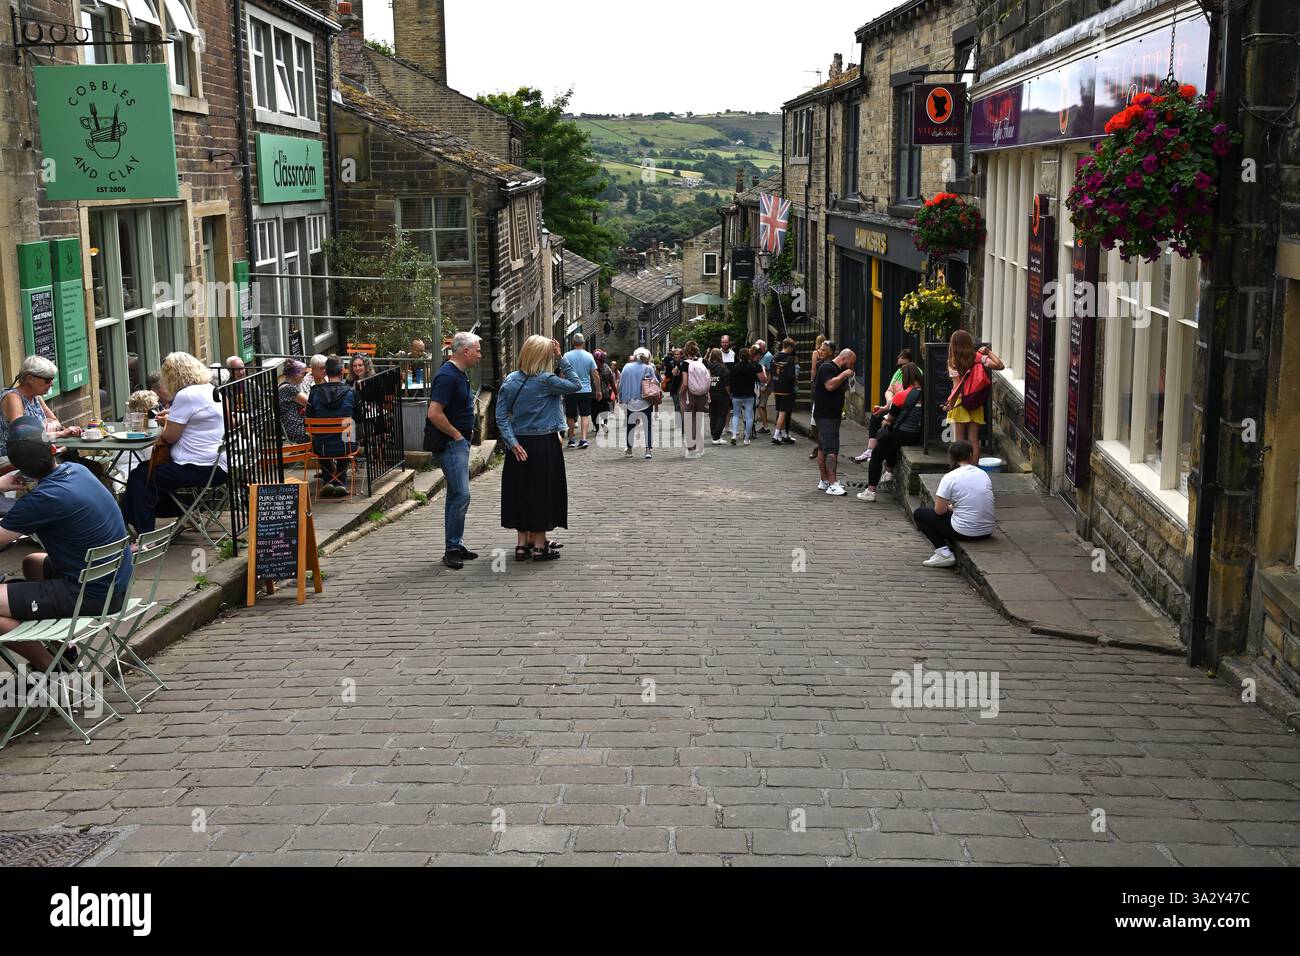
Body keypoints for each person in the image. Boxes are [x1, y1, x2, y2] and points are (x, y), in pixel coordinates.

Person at [0, 418, 132, 670]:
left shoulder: (43, 499)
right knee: (32, 563)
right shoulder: (77, 470)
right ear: (54, 450)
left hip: (90, 594)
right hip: (115, 584)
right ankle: (65, 647)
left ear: (18, 468)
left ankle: (52, 666)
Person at [121, 352, 228, 535]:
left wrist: (166, 422)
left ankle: (145, 535)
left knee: (140, 477)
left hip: (198, 466)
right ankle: (184, 514)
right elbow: (198, 419)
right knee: (146, 474)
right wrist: (173, 417)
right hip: (218, 464)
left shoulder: (186, 395)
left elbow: (170, 437)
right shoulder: (209, 388)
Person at [497, 336, 580, 562]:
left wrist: (512, 442)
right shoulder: (547, 380)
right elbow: (575, 384)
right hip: (544, 444)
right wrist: (561, 358)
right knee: (543, 493)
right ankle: (540, 547)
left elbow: (501, 416)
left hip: (519, 445)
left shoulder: (511, 380)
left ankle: (522, 546)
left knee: (521, 492)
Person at [427, 332, 482, 570]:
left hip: (459, 443)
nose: (480, 355)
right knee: (461, 494)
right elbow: (434, 413)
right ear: (465, 351)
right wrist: (457, 435)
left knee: (455, 494)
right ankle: (451, 548)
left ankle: (455, 544)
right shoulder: (447, 376)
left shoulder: (460, 374)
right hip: (450, 444)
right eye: (477, 350)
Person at [913, 440, 996, 568]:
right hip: (987, 530)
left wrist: (951, 508)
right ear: (971, 454)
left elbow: (939, 511)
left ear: (952, 457)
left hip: (965, 531)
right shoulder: (983, 474)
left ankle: (944, 553)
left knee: (920, 514)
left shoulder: (950, 477)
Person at [857, 363, 924, 502]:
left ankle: (871, 491)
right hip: (917, 436)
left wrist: (884, 422)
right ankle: (889, 471)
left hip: (902, 434)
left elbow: (890, 419)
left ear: (906, 377)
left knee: (876, 454)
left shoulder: (902, 395)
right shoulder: (926, 394)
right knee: (890, 443)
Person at [0, 356, 83, 458]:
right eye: (47, 380)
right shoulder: (13, 398)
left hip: (40, 455)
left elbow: (55, 421)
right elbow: (25, 437)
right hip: (18, 460)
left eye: (52, 379)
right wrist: (62, 433)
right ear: (30, 378)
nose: (51, 384)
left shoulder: (36, 397)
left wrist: (52, 425)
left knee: (94, 467)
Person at [944, 330, 1004, 464]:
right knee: (973, 440)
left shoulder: (953, 362)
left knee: (959, 440)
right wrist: (988, 352)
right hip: (975, 402)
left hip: (960, 402)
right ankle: (974, 468)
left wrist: (949, 404)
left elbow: (956, 387)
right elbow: (1000, 365)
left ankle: (960, 468)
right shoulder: (978, 357)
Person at [855, 348, 919, 463]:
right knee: (876, 415)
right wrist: (887, 405)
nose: (901, 368)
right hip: (895, 408)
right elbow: (889, 390)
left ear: (911, 362)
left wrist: (889, 415)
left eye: (903, 365)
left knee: (887, 430)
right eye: (899, 365)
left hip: (904, 415)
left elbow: (906, 400)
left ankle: (882, 460)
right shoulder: (899, 373)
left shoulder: (915, 374)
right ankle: (870, 449)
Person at [307, 357, 356, 497]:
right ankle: (340, 481)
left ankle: (329, 480)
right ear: (342, 372)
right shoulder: (351, 392)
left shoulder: (314, 393)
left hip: (322, 447)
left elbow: (309, 418)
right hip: (345, 446)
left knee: (320, 438)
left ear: (326, 373)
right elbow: (358, 418)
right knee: (348, 435)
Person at [813, 349, 856, 496]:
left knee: (823, 447)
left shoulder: (835, 370)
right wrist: (844, 375)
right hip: (826, 415)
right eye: (851, 363)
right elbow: (830, 386)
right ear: (844, 359)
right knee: (831, 449)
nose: (852, 367)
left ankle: (824, 481)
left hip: (831, 414)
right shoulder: (827, 368)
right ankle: (832, 484)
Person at [562, 333, 600, 450]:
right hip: (585, 390)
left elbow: (563, 374)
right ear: (583, 343)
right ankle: (583, 439)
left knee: (570, 415)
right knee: (584, 415)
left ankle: (572, 439)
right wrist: (598, 390)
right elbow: (595, 374)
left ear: (573, 343)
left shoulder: (567, 356)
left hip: (571, 389)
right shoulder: (589, 356)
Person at [619, 348, 657, 459]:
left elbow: (621, 384)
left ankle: (629, 449)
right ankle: (648, 450)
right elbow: (655, 382)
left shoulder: (626, 367)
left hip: (631, 401)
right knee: (647, 425)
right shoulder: (648, 368)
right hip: (645, 400)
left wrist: (620, 396)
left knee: (630, 425)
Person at [727, 347, 765, 446]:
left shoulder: (734, 368)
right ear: (748, 356)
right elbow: (760, 380)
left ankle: (734, 435)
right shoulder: (753, 367)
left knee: (735, 415)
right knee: (749, 416)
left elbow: (730, 382)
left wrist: (731, 392)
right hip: (749, 394)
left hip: (737, 394)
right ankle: (747, 438)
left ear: (739, 356)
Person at [679, 341, 710, 459]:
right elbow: (709, 378)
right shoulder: (704, 362)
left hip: (690, 394)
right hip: (702, 394)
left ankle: (691, 445)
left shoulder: (685, 364)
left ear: (686, 351)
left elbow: (685, 382)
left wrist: (681, 393)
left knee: (689, 419)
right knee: (699, 418)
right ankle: (698, 443)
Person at [769, 338, 799, 445]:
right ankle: (776, 436)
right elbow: (791, 376)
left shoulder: (774, 357)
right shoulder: (790, 359)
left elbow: (772, 372)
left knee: (781, 411)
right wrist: (795, 381)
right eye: (792, 348)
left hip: (776, 388)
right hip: (786, 389)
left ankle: (784, 435)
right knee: (783, 413)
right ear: (789, 347)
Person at [807, 338, 832, 459]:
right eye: (820, 349)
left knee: (826, 426)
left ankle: (824, 448)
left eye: (823, 350)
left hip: (829, 401)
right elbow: (815, 381)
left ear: (830, 352)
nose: (820, 352)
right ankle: (819, 444)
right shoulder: (818, 364)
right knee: (813, 425)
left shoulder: (834, 365)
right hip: (818, 399)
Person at [278, 359, 310, 443]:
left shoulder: (285, 386)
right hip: (297, 428)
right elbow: (310, 403)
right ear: (294, 374)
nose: (305, 376)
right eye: (304, 373)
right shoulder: (289, 388)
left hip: (293, 426)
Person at [705, 348, 731, 444]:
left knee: (713, 415)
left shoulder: (708, 366)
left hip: (711, 394)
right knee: (721, 415)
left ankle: (714, 435)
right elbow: (726, 383)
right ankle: (717, 436)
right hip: (722, 394)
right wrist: (729, 394)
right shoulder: (723, 368)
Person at [591, 350, 618, 437]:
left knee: (594, 411)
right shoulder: (607, 368)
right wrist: (615, 393)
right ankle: (604, 422)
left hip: (593, 393)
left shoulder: (591, 368)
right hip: (605, 393)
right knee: (604, 409)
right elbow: (612, 383)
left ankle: (597, 428)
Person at [753, 339, 774, 434]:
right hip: (760, 384)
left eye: (758, 346)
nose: (757, 348)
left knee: (760, 406)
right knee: (762, 406)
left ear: (763, 347)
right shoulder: (761, 356)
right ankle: (765, 426)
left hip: (765, 385)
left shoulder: (768, 356)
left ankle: (765, 427)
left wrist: (766, 384)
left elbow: (770, 372)